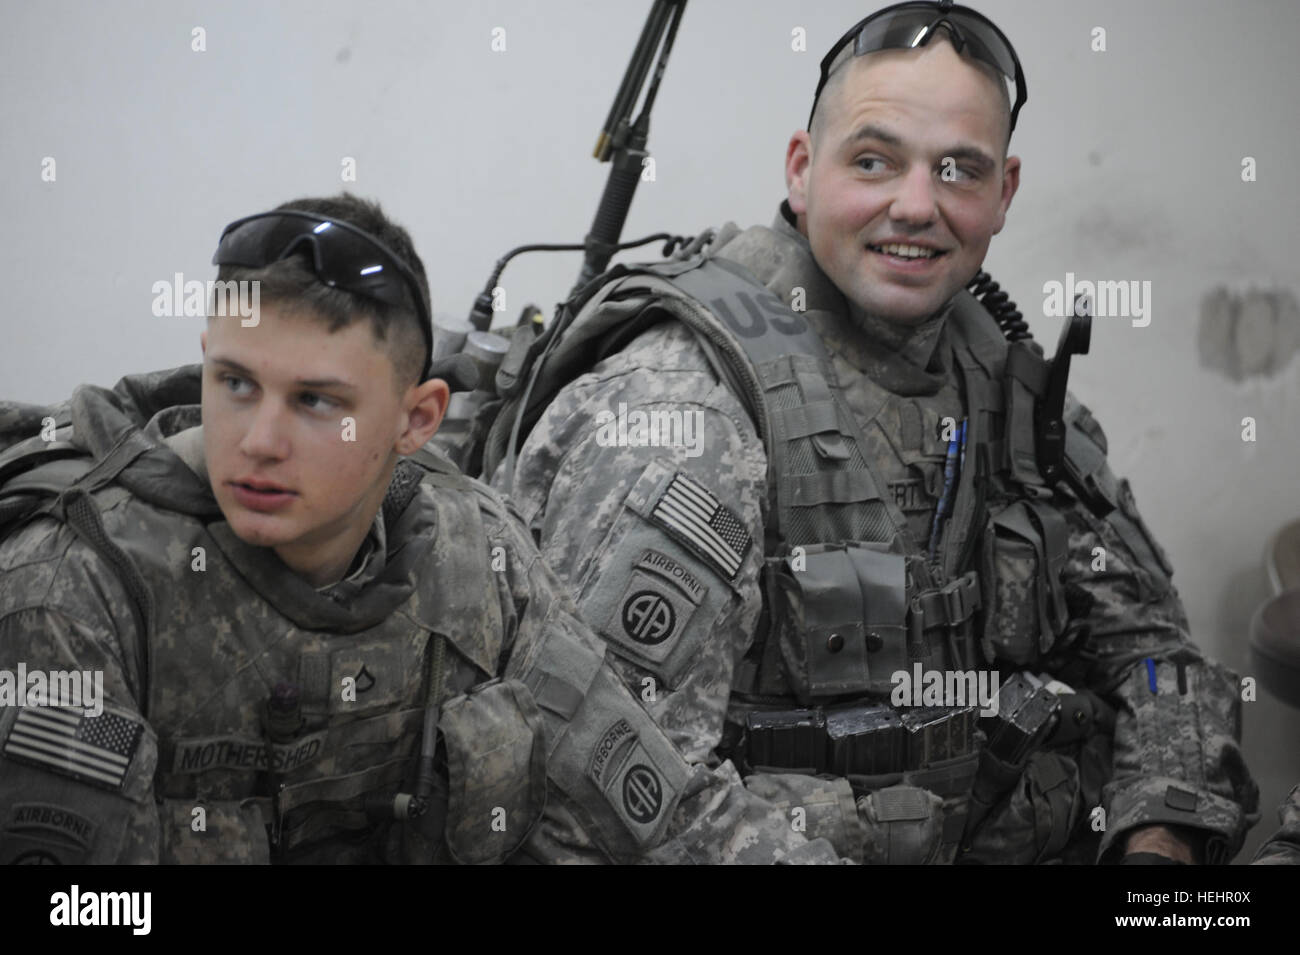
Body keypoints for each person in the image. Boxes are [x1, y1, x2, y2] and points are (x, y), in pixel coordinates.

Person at [487, 1, 1258, 864]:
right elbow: (599, 805)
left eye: (958, 170)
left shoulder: (1005, 386)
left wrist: (1160, 839)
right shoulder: (688, 412)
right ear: (802, 169)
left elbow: (1153, 652)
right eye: (874, 160)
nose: (916, 205)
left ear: (1002, 193)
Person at [0, 193, 841, 864]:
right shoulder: (73, 591)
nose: (258, 440)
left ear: (416, 419)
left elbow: (665, 825)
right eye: (236, 383)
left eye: (316, 402)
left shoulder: (475, 556)